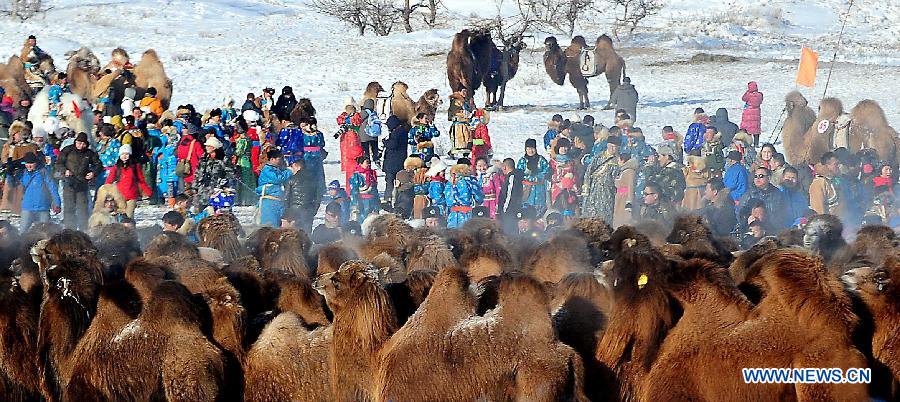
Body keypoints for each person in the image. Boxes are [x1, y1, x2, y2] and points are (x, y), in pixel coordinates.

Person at [56, 132, 102, 230]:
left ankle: (83, 230)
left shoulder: (89, 153)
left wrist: (93, 173)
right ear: (75, 142)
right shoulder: (67, 150)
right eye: (79, 143)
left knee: (83, 209)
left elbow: (98, 165)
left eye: (83, 144)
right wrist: (65, 171)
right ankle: (70, 229)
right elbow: (59, 163)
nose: (81, 146)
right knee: (69, 208)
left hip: (82, 184)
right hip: (69, 183)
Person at [105, 144, 152, 218]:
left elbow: (141, 180)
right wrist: (106, 193)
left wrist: (148, 191)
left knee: (129, 217)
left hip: (131, 196)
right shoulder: (116, 167)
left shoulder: (135, 166)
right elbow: (109, 181)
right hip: (119, 197)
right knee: (117, 218)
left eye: (126, 154)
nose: (124, 156)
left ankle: (131, 229)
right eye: (122, 154)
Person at [18, 152, 60, 232]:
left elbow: (53, 188)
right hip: (27, 207)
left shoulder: (43, 172)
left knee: (44, 232)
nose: (29, 166)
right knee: (23, 232)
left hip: (43, 207)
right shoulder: (22, 173)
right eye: (27, 163)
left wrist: (57, 203)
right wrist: (9, 174)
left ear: (36, 163)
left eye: (31, 163)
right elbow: (12, 184)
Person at [582, 135, 620, 222]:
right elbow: (588, 172)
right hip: (594, 190)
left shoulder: (619, 160)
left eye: (615, 147)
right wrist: (586, 187)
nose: (613, 149)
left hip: (609, 192)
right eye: (611, 146)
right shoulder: (599, 157)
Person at [0, 124, 38, 213]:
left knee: (21, 188)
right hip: (11, 169)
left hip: (24, 168)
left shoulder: (30, 146)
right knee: (9, 187)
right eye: (17, 133)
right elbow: (5, 158)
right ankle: (7, 207)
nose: (20, 135)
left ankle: (18, 208)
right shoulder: (9, 146)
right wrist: (9, 164)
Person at [739, 166, 788, 231]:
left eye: (761, 176)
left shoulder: (778, 194)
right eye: (755, 176)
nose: (758, 178)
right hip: (755, 231)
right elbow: (740, 213)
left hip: (773, 230)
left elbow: (785, 213)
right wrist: (747, 220)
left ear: (768, 178)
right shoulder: (748, 195)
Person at [194, 136, 235, 210]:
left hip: (217, 191)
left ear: (214, 147)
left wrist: (224, 182)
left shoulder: (223, 159)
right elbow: (197, 172)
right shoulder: (204, 158)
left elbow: (230, 173)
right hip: (203, 191)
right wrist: (195, 186)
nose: (206, 148)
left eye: (208, 146)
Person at [256, 150, 291, 227]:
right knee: (270, 225)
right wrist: (289, 171)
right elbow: (277, 179)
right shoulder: (267, 170)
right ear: (272, 159)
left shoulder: (276, 169)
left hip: (278, 201)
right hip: (269, 201)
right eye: (279, 159)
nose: (280, 161)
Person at [282, 159, 318, 233]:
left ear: (296, 166)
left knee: (295, 234)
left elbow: (286, 198)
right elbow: (318, 197)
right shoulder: (313, 179)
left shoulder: (291, 179)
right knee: (306, 234)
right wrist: (314, 209)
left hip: (294, 211)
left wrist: (286, 213)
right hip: (308, 210)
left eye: (292, 167)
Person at [444, 163, 483, 229]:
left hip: (453, 215)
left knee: (452, 235)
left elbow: (447, 200)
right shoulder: (470, 181)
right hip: (467, 214)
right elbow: (479, 197)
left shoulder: (449, 183)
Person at [517, 138, 550, 214]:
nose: (530, 151)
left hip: (539, 188)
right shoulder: (522, 161)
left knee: (540, 208)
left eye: (532, 148)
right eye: (528, 149)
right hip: (527, 188)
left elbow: (547, 170)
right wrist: (528, 178)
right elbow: (519, 173)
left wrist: (538, 177)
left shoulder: (541, 160)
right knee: (527, 208)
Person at [336, 102, 364, 187]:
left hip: (353, 135)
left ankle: (356, 165)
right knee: (345, 151)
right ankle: (346, 166)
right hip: (345, 137)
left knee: (354, 150)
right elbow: (339, 120)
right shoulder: (343, 115)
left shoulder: (356, 116)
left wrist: (351, 120)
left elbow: (357, 122)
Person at [809, 152, 844, 218]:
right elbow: (818, 209)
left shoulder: (834, 180)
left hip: (841, 222)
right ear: (827, 166)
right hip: (829, 224)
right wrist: (824, 224)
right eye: (836, 164)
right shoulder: (818, 183)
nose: (839, 166)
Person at [382, 115, 408, 205]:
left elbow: (393, 144)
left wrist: (385, 142)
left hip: (392, 164)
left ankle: (387, 200)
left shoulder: (396, 133)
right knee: (399, 184)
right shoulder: (403, 132)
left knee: (389, 183)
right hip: (400, 162)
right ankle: (398, 200)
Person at [349, 156, 380, 222]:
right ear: (361, 163)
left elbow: (375, 189)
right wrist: (355, 204)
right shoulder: (356, 176)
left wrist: (377, 202)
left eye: (369, 163)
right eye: (367, 162)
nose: (368, 164)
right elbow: (354, 190)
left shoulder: (372, 174)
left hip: (372, 201)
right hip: (362, 202)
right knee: (362, 219)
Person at [498, 158, 524, 234]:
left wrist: (505, 210)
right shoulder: (514, 176)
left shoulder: (512, 177)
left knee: (509, 233)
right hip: (512, 211)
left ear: (504, 167)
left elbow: (510, 194)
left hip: (510, 211)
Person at [613, 153, 638, 228]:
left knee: (624, 218)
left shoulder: (630, 172)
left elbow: (631, 186)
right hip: (620, 197)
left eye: (618, 160)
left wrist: (629, 202)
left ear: (622, 160)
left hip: (624, 198)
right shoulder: (623, 171)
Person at [740, 81, 764, 147]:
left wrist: (747, 92)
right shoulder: (759, 95)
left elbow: (743, 98)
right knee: (756, 129)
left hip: (748, 114)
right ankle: (756, 143)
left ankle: (749, 143)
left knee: (748, 129)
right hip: (756, 113)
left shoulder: (748, 95)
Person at [358, 99, 382, 163]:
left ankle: (367, 161)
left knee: (366, 151)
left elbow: (358, 121)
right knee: (374, 148)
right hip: (373, 135)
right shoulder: (374, 113)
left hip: (364, 136)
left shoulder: (362, 113)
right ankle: (376, 159)